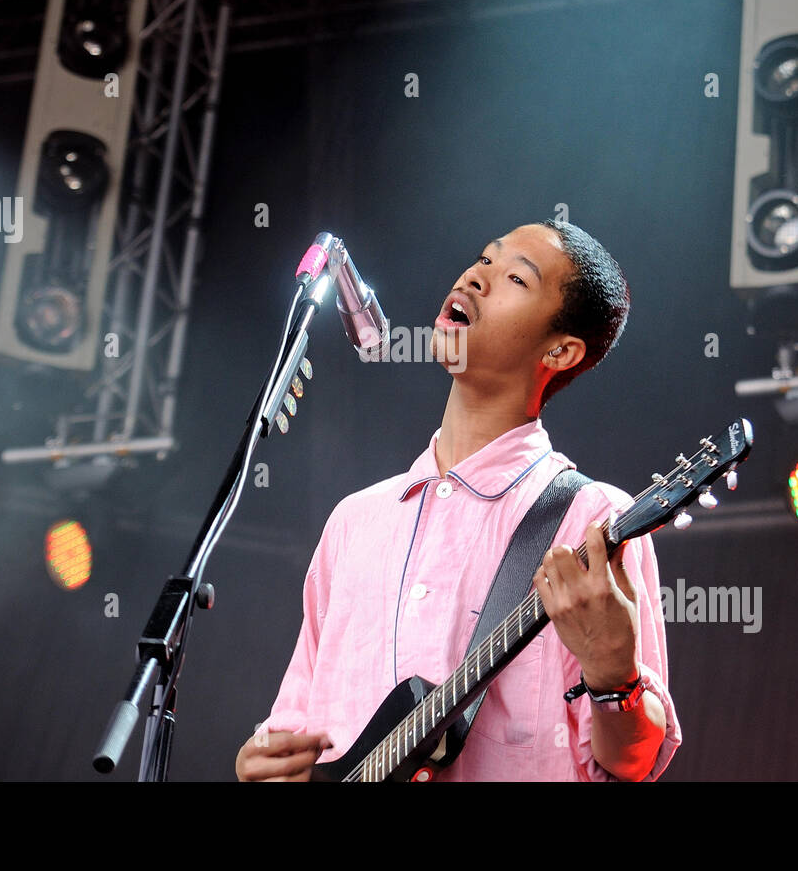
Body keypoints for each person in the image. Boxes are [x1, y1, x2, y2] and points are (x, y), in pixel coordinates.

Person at [235, 220, 680, 781]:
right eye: (484, 260)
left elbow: (633, 762)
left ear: (562, 350)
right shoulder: (355, 521)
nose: (476, 277)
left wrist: (615, 675)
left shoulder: (589, 519)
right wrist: (266, 767)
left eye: (515, 277)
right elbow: (294, 732)